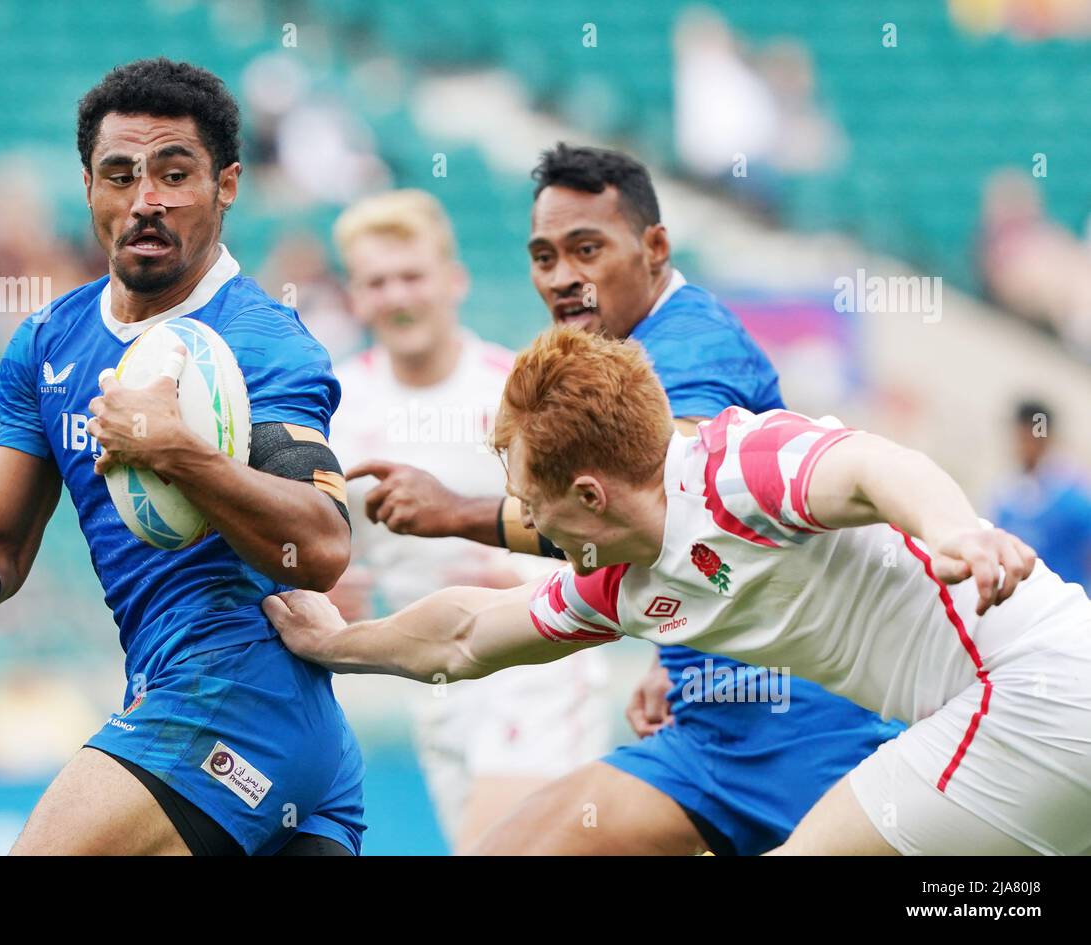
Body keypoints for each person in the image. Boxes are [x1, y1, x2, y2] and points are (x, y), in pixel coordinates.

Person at [266, 326, 1091, 855]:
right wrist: (335, 643)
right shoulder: (620, 578)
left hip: (1026, 689)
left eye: (530, 499)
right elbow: (465, 637)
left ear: (589, 497)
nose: (520, 516)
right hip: (1014, 722)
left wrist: (953, 533)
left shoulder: (734, 470)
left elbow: (877, 467)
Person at [0, 58, 364, 856]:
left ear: (226, 185)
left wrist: (175, 449)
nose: (144, 199)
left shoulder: (266, 344)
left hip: (238, 703)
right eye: (119, 175)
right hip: (249, 733)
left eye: (173, 173)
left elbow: (319, 546)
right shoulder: (48, 343)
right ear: (88, 188)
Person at [348, 144, 900, 855]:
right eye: (545, 257)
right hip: (708, 726)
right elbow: (696, 550)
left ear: (655, 247)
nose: (564, 278)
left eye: (586, 249)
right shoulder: (629, 350)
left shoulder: (689, 353)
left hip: (801, 721)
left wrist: (457, 511)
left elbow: (654, 510)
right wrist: (670, 652)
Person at [328, 189, 609, 852]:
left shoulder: (519, 389)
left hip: (536, 659)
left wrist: (513, 559)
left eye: (413, 275)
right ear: (354, 297)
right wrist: (323, 580)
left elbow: (600, 534)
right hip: (432, 676)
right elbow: (310, 543)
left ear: (455, 280)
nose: (398, 296)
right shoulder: (334, 405)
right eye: (377, 281)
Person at [991, 399, 1091, 588]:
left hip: (1063, 605)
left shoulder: (1075, 498)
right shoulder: (1005, 494)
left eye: (1031, 437)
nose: (1023, 445)